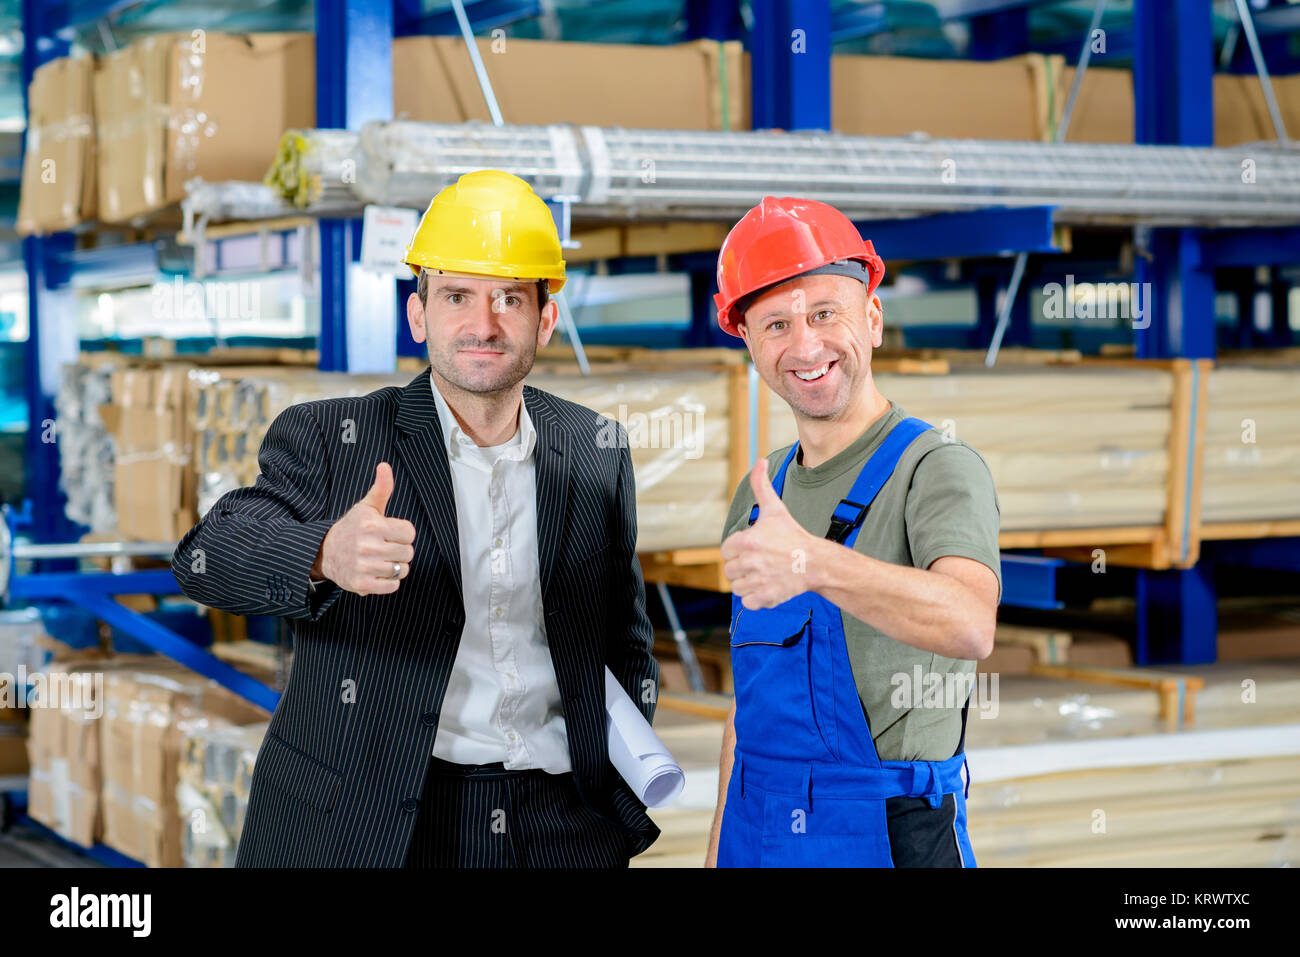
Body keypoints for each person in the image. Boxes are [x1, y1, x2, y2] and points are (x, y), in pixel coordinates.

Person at [173, 169, 660, 868]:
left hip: (561, 825)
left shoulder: (593, 449)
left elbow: (624, 639)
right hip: (386, 824)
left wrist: (617, 793)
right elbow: (206, 554)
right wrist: (322, 554)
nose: (483, 324)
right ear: (419, 315)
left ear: (545, 320)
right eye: (457, 295)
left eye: (510, 298)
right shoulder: (332, 436)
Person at [704, 196, 1002, 868]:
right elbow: (746, 706)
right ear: (748, 342)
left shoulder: (937, 468)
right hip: (758, 826)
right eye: (775, 323)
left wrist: (813, 563)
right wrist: (721, 850)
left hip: (886, 833)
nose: (804, 344)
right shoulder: (761, 495)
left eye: (824, 313)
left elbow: (970, 621)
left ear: (872, 317)